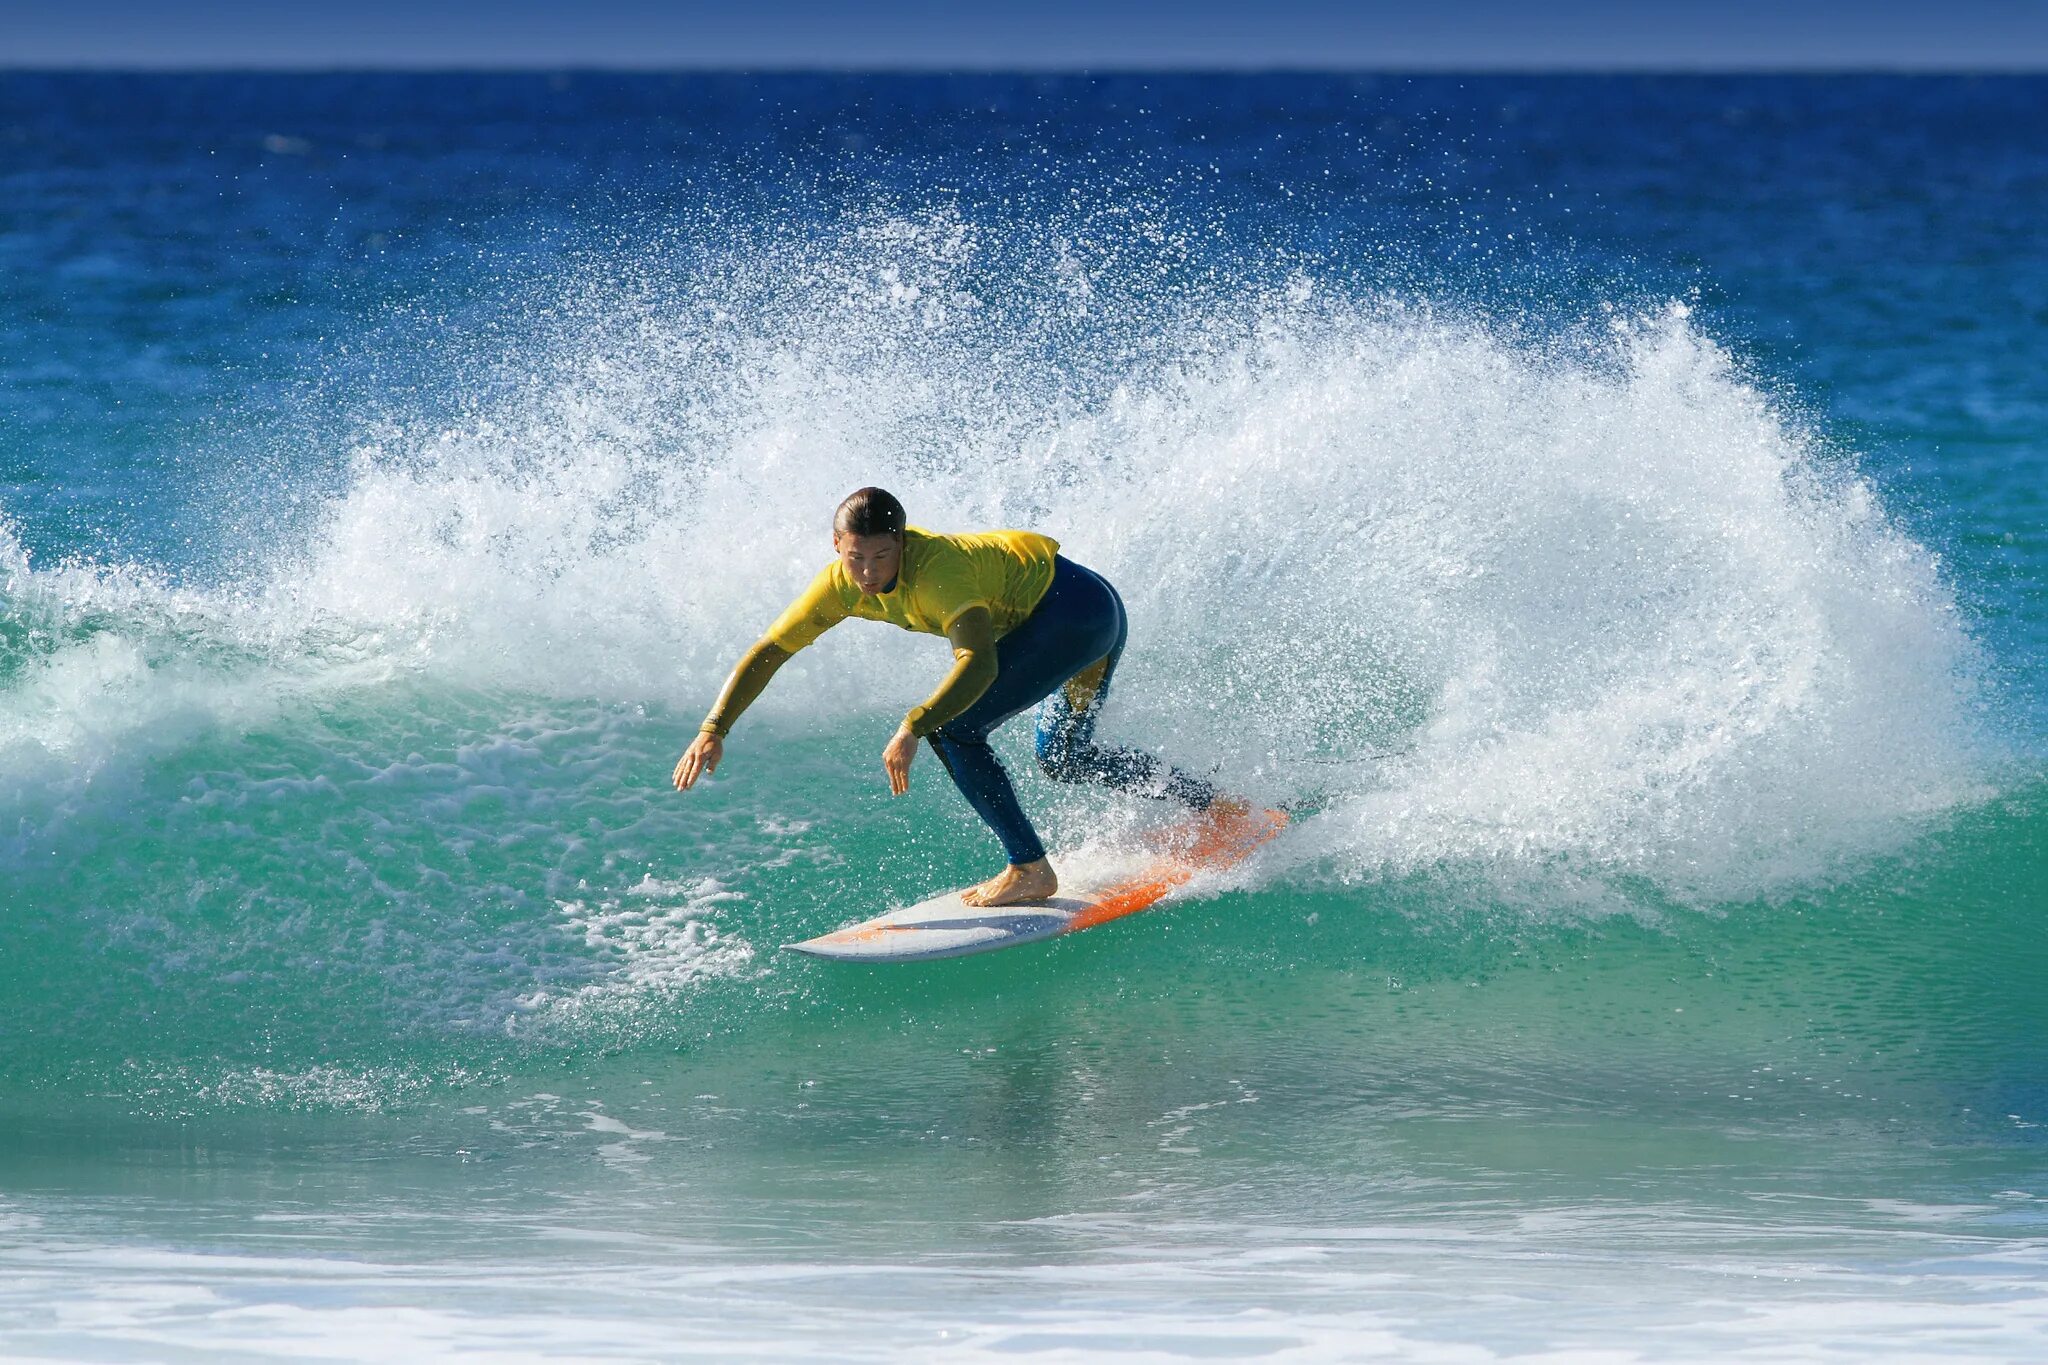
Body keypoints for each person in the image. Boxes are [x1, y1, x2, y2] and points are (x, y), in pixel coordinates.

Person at [671, 487, 1224, 908]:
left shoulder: (939, 574)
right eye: (855, 557)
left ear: (904, 544)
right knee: (1063, 756)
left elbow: (978, 661)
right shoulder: (838, 585)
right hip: (1087, 606)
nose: (868, 572)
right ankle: (1214, 804)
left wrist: (913, 724)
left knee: (951, 728)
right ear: (836, 547)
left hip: (1076, 616)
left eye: (883, 556)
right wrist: (713, 728)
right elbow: (770, 650)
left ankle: (1029, 868)